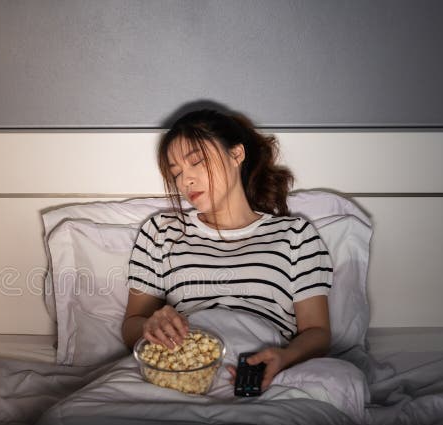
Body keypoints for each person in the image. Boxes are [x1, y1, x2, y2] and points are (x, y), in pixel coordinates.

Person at [121, 108, 333, 392]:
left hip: (260, 374)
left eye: (196, 162)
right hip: (181, 369)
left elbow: (317, 333)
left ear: (236, 155)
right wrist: (150, 327)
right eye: (177, 173)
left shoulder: (295, 235)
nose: (186, 181)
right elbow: (131, 325)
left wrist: (285, 356)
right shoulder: (161, 231)